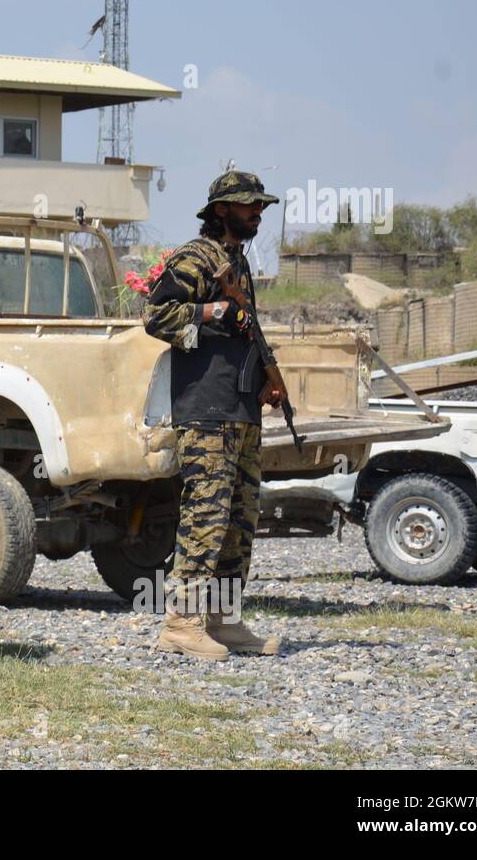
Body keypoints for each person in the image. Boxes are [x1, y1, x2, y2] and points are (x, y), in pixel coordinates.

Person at [141, 171, 283, 660]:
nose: (257, 215)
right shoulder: (196, 258)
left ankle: (222, 620)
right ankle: (181, 623)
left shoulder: (236, 262)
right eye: (249, 207)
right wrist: (210, 313)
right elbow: (156, 316)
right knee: (206, 514)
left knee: (239, 519)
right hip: (204, 411)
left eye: (260, 207)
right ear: (221, 209)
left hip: (239, 408)